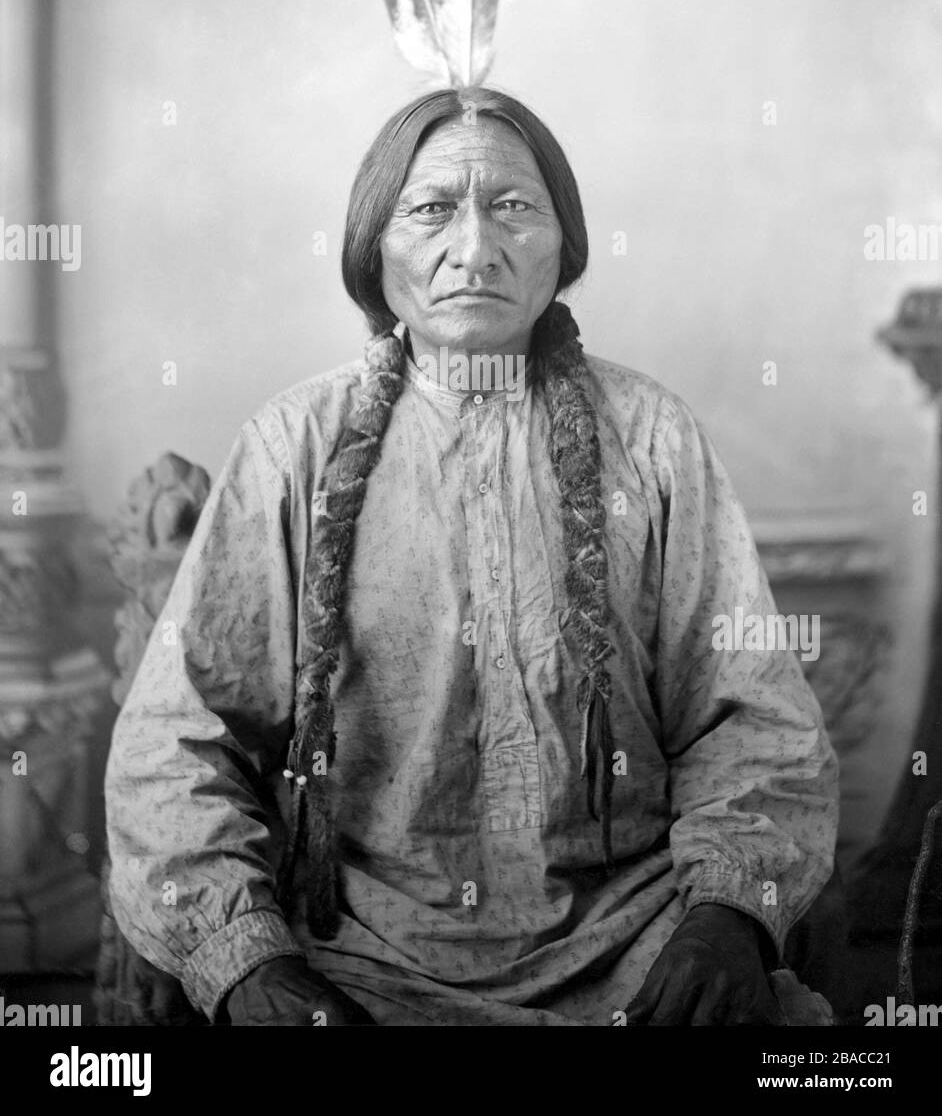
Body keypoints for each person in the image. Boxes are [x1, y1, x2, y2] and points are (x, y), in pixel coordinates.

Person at [104, 86, 838, 1026]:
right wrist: (244, 960)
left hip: (638, 951)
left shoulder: (652, 438)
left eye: (514, 206)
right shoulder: (293, 449)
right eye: (432, 209)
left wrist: (728, 917)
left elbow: (754, 722)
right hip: (354, 961)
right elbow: (175, 744)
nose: (475, 246)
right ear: (376, 246)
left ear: (565, 245)